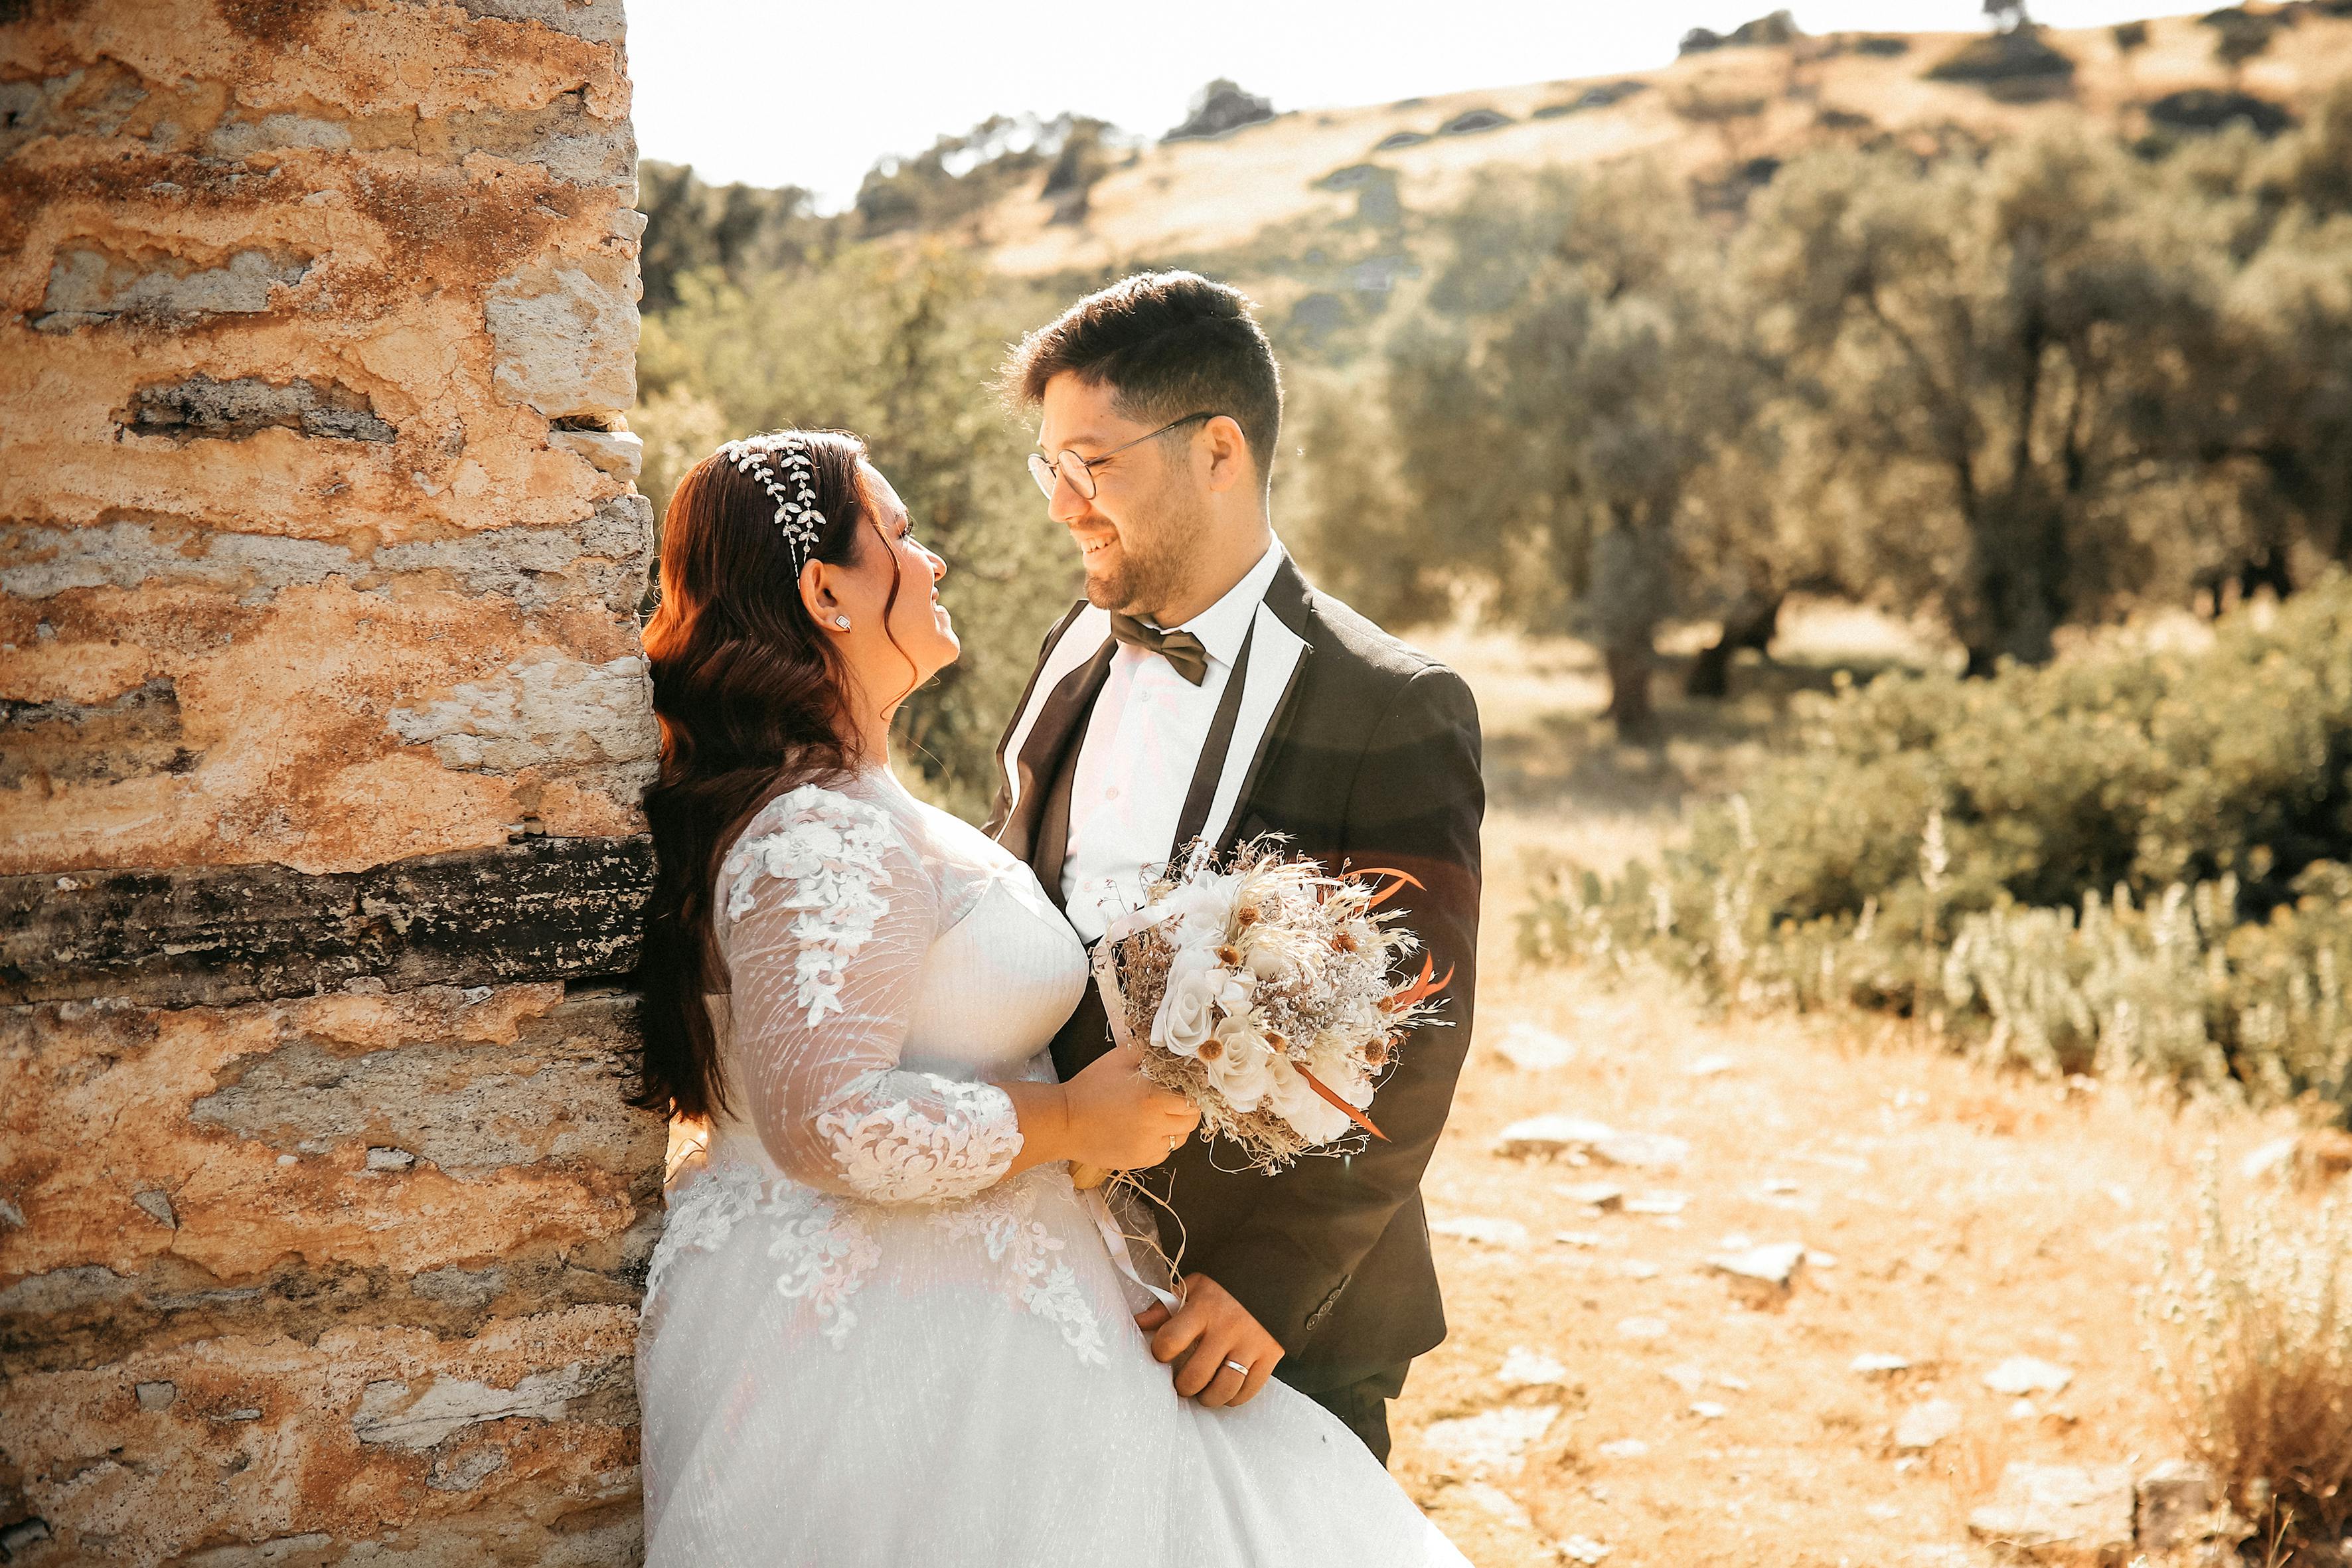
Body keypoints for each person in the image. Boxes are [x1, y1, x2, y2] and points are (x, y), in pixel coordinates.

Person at [629, 427, 1468, 1565]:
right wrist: (1072, 1122)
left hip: (1002, 1314)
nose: (934, 564)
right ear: (826, 589)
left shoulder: (858, 799)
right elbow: (824, 1116)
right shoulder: (818, 831)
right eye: (903, 538)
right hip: (880, 1352)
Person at [990, 271, 1484, 1463]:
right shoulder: (1073, 646)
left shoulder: (1393, 703)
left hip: (1270, 1334)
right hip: (1060, 1285)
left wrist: (1266, 1284)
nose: (1065, 505)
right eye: (1048, 465)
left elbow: (1421, 1028)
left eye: (1092, 463)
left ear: (1218, 448)